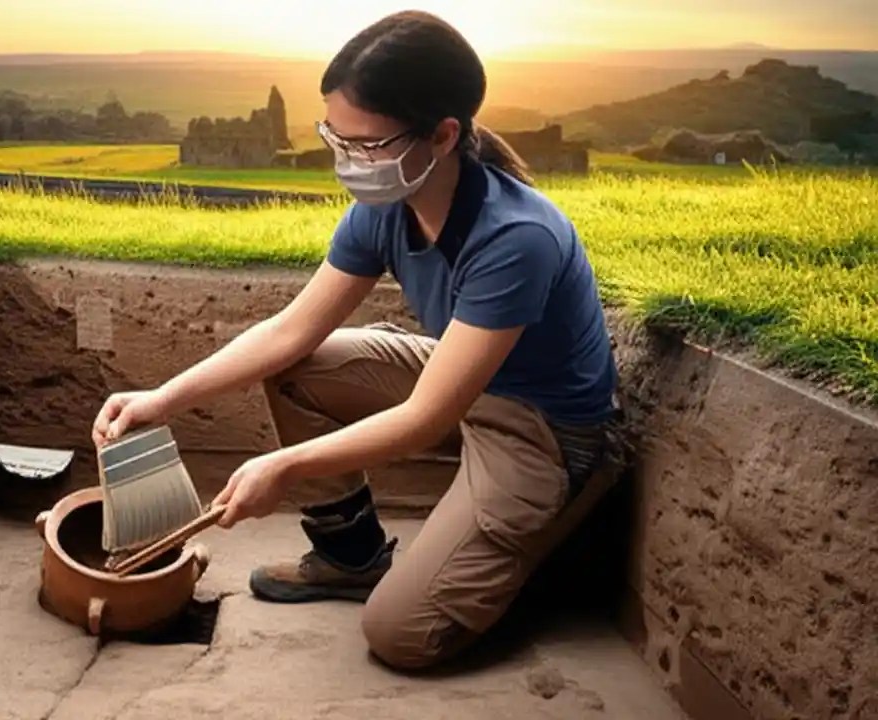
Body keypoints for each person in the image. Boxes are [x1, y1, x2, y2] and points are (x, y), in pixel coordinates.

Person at [91, 9, 622, 671]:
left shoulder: (516, 237)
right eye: (334, 138)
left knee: (400, 636)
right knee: (298, 367)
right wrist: (162, 399)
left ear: (442, 134)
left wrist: (284, 468)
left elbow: (426, 417)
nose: (346, 161)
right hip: (460, 378)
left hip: (543, 431)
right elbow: (290, 332)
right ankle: (351, 558)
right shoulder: (386, 209)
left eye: (365, 145)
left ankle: (548, 528)